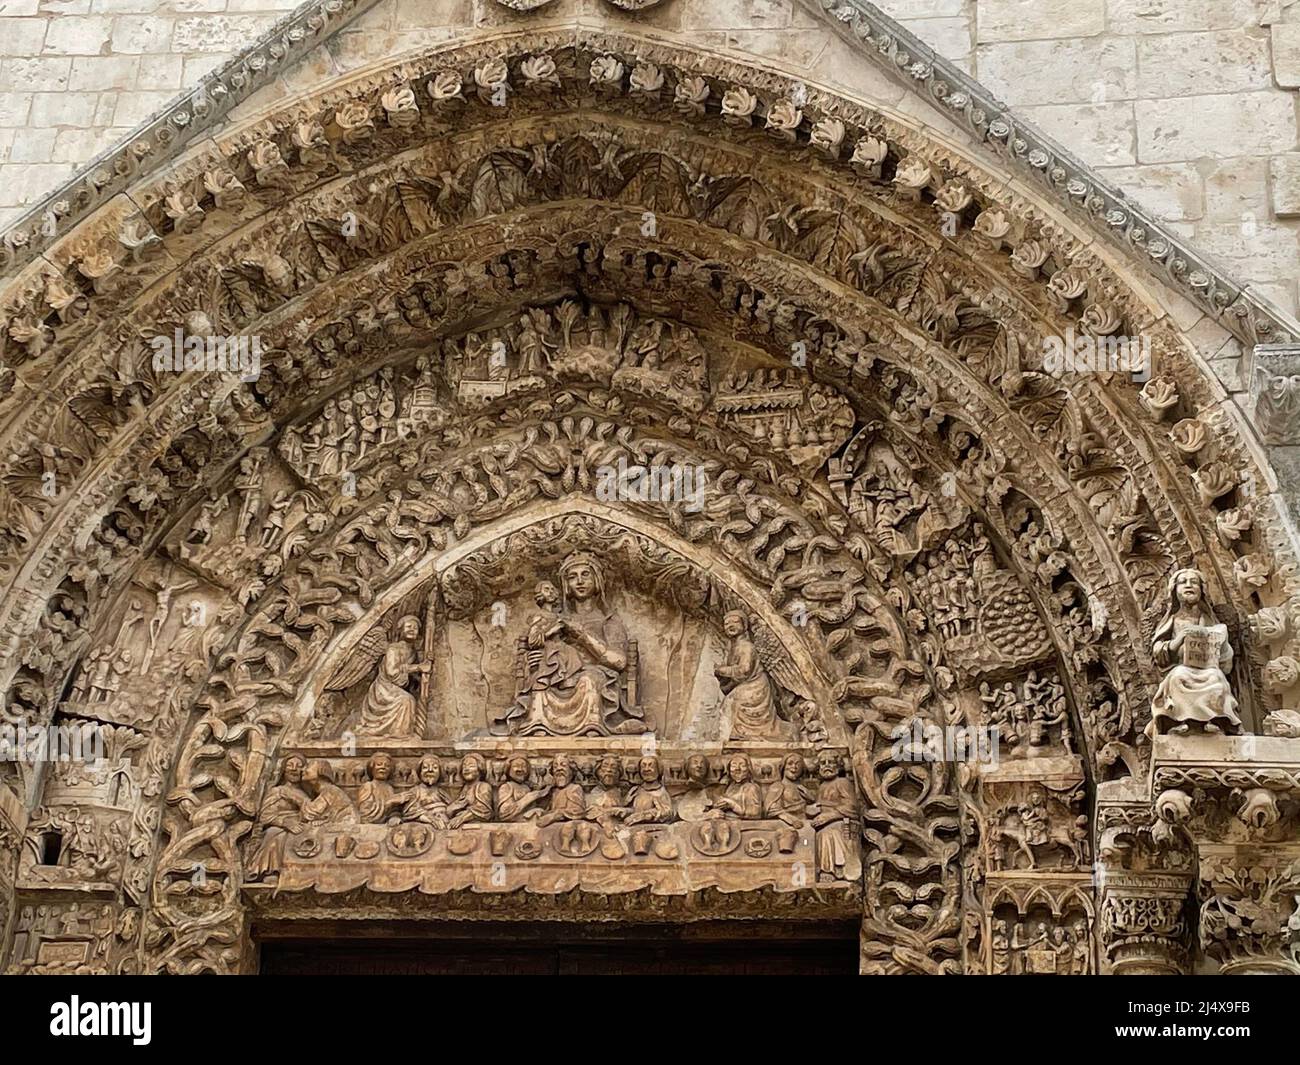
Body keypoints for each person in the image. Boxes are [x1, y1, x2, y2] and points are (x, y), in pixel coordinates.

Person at [495, 553, 644, 736]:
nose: (580, 581)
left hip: (595, 674)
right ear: (566, 586)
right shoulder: (557, 620)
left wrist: (581, 634)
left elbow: (619, 661)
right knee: (541, 685)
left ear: (597, 580)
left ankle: (592, 726)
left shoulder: (609, 621)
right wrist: (534, 661)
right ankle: (538, 726)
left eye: (585, 575)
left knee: (587, 680)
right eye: (573, 577)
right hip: (559, 673)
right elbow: (539, 647)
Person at [1146, 567, 1241, 737]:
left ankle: (1213, 720)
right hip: (1181, 668)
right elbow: (1158, 650)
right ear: (1174, 591)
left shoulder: (1209, 620)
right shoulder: (1172, 620)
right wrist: (1178, 639)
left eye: (1194, 582)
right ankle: (1182, 720)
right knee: (1178, 677)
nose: (1189, 585)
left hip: (1207, 668)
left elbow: (1226, 656)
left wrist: (1221, 639)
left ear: (1202, 590)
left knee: (1217, 678)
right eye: (1183, 582)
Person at [359, 615, 429, 737]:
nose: (412, 629)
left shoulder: (413, 652)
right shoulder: (393, 648)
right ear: (400, 630)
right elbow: (391, 672)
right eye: (408, 627)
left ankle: (400, 732)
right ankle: (398, 733)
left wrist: (423, 670)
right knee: (406, 700)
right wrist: (418, 667)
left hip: (396, 688)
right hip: (384, 689)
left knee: (409, 700)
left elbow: (411, 681)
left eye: (415, 628)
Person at [403, 756, 450, 828]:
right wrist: (430, 819)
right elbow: (410, 811)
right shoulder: (415, 791)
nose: (430, 770)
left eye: (435, 768)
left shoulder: (441, 792)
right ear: (420, 772)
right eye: (425, 767)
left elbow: (451, 809)